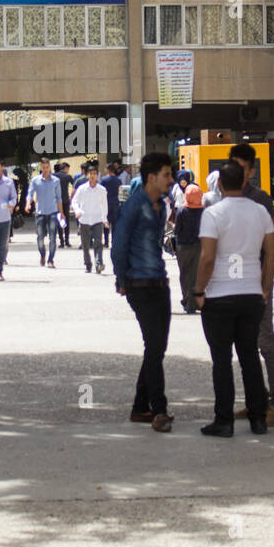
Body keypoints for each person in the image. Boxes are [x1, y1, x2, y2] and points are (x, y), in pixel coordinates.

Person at [192, 161, 274, 438]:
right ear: (243, 181)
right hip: (251, 294)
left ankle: (224, 421)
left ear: (218, 184)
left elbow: (207, 257)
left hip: (219, 295)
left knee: (222, 360)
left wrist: (199, 291)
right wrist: (265, 287)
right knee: (250, 356)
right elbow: (272, 251)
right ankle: (258, 419)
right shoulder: (260, 211)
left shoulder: (213, 214)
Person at [112, 152, 176, 433]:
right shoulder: (135, 205)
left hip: (159, 282)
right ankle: (159, 410)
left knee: (157, 347)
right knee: (154, 345)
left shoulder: (161, 205)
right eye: (166, 175)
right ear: (151, 178)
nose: (171, 180)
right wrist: (121, 279)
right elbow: (119, 245)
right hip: (139, 284)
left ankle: (140, 407)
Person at [226, 143, 274, 426]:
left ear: (252, 171)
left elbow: (271, 248)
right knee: (244, 344)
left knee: (265, 341)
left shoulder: (260, 199)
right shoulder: (225, 197)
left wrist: (266, 284)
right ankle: (257, 401)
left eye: (242, 168)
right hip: (234, 281)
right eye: (233, 167)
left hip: (258, 280)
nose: (237, 173)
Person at [26, 157, 64, 267]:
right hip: (40, 213)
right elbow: (30, 194)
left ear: (50, 167)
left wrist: (61, 213)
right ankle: (42, 254)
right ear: (41, 168)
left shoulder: (56, 181)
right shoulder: (35, 180)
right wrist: (28, 204)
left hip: (53, 212)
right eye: (43, 167)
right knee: (40, 238)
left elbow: (59, 198)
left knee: (53, 238)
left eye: (47, 167)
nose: (46, 169)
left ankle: (51, 260)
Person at [72, 163, 109, 274]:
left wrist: (105, 218)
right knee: (85, 244)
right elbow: (74, 201)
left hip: (97, 219)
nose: (92, 176)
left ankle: (98, 264)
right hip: (84, 219)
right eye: (90, 174)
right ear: (87, 175)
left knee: (98, 243)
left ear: (97, 175)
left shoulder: (102, 190)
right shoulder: (82, 189)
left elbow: (104, 205)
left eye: (94, 174)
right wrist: (77, 211)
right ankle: (88, 264)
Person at [174, 183, 204, 313]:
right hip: (199, 246)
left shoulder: (181, 210)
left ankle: (187, 300)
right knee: (196, 274)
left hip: (183, 247)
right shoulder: (204, 211)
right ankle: (195, 301)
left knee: (184, 273)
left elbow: (177, 230)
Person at [100, 162, 122, 249]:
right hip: (116, 203)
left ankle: (106, 242)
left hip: (106, 204)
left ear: (108, 170)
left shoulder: (104, 180)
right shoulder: (118, 180)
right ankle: (114, 242)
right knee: (115, 224)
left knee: (106, 223)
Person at [54, 162, 74, 247]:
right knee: (66, 220)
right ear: (66, 168)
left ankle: (61, 241)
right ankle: (67, 241)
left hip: (56, 201)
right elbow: (74, 185)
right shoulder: (68, 176)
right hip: (65, 200)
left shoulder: (54, 176)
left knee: (59, 220)